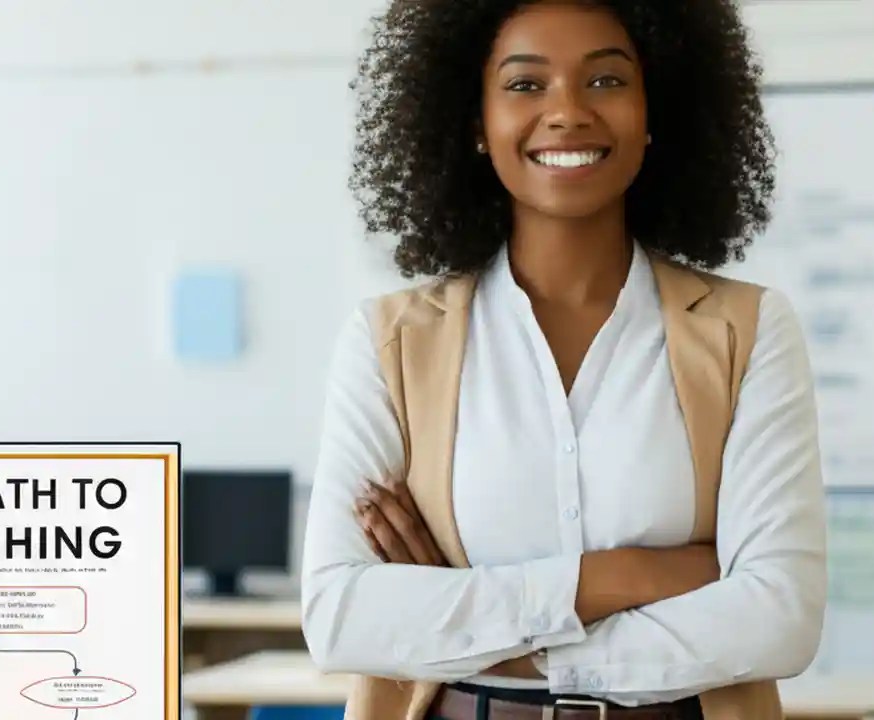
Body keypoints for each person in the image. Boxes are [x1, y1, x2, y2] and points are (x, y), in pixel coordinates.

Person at [299, 2, 828, 719]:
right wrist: (631, 575)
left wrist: (470, 623)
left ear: (653, 112)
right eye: (525, 85)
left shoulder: (749, 329)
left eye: (606, 80)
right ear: (475, 122)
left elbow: (781, 619)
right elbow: (340, 617)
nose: (568, 111)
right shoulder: (389, 341)